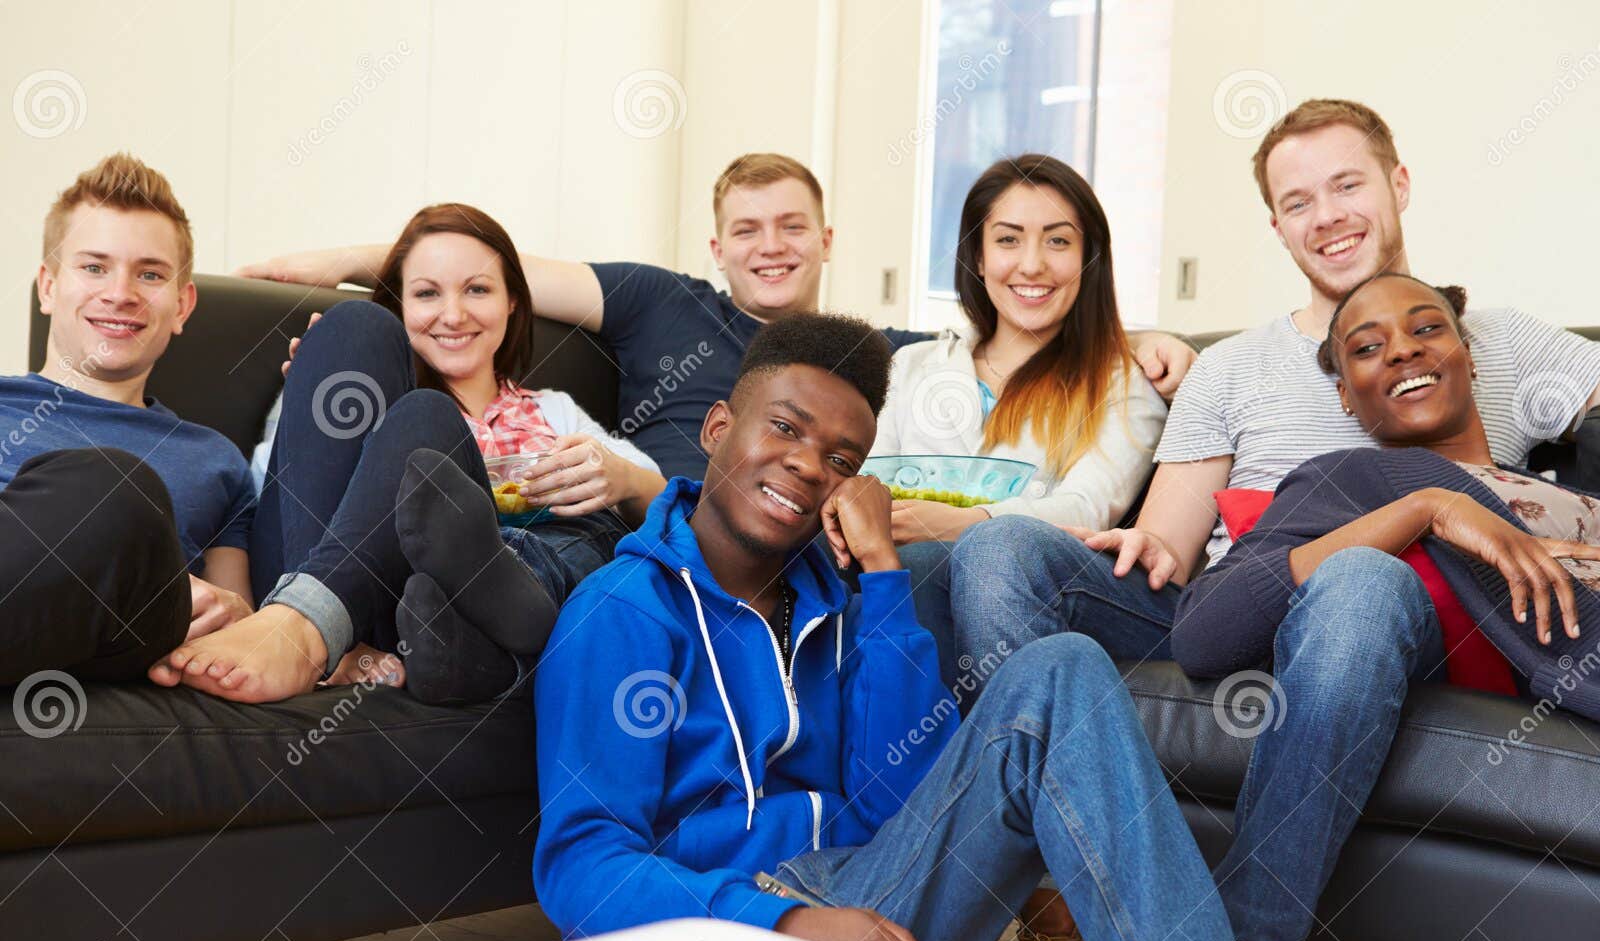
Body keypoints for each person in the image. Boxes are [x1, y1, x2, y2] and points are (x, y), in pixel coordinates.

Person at [527, 312, 1251, 941]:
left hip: (867, 901)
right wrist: (788, 924)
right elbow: (584, 868)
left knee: (1060, 668)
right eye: (783, 427)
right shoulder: (622, 612)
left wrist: (880, 573)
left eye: (840, 459)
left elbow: (898, 805)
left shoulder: (839, 603)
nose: (809, 465)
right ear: (717, 428)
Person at [949, 99, 1600, 678]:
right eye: (1298, 203)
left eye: (1348, 185)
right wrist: (1147, 543)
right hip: (1238, 614)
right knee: (997, 546)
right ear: (1278, 227)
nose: (1327, 217)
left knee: (1360, 588)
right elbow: (1166, 556)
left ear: (1399, 185)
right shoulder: (1229, 366)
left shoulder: (1495, 340)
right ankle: (1038, 794)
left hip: (1410, 615)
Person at [1165, 273, 1600, 941]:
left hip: (1560, 673)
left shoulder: (1575, 500)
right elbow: (1207, 634)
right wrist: (1425, 508)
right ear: (1345, 397)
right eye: (1365, 347)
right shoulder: (1349, 481)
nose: (1402, 347)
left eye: (1427, 328)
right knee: (1365, 579)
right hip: (1394, 655)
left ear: (1467, 354)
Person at [235, 153, 1199, 481]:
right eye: (748, 229)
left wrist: (1142, 340)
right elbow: (492, 272)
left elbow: (1013, 337)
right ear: (718, 246)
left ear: (828, 240)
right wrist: (354, 264)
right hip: (646, 519)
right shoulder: (661, 298)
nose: (770, 245)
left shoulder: (877, 354)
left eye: (791, 227)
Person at [155, 204, 664, 705]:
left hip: (432, 603)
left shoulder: (554, 412)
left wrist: (625, 479)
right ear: (401, 305)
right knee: (384, 365)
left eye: (478, 289)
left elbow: (665, 505)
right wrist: (314, 410)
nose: (453, 314)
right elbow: (274, 499)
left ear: (512, 301)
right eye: (426, 294)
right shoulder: (364, 385)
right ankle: (316, 626)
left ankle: (431, 644)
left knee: (436, 444)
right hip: (315, 569)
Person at [873, 153, 1164, 687]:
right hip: (903, 581)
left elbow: (1086, 508)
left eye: (1058, 241)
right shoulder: (911, 367)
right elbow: (869, 484)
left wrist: (959, 524)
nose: (1032, 264)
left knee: (923, 567)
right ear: (979, 259)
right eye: (1008, 239)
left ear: (1088, 260)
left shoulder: (1125, 382)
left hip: (1040, 587)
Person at [0, 153, 255, 686]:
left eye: (150, 274)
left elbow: (239, 630)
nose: (120, 294)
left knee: (114, 487)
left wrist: (230, 608)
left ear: (182, 306)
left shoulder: (215, 460)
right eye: (94, 267)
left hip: (122, 659)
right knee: (103, 484)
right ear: (48, 287)